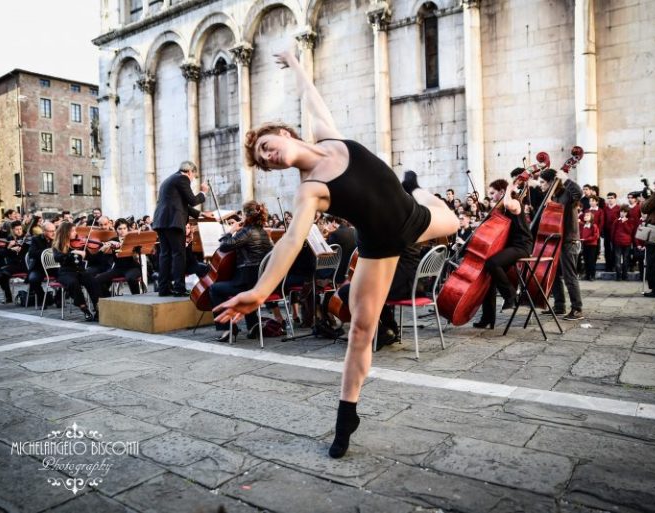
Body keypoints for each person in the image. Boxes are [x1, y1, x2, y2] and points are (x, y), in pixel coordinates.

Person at [212, 48, 459, 459]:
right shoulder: (310, 189)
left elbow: (311, 95)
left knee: (451, 219)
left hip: (415, 218)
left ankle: (414, 186)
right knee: (362, 330)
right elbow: (291, 242)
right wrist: (259, 292)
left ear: (285, 134)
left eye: (268, 147)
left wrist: (295, 64)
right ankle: (347, 419)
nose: (269, 157)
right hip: (380, 248)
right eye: (264, 161)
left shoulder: (329, 136)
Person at [473, 178, 533, 329]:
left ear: (502, 192)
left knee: (491, 263)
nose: (491, 197)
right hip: (510, 247)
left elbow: (507, 202)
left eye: (493, 193)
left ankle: (510, 295)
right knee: (488, 277)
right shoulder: (502, 208)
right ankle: (488, 317)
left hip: (521, 246)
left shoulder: (515, 203)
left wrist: (510, 188)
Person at [209, 200, 273, 342]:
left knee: (215, 289)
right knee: (243, 289)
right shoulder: (263, 233)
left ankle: (227, 329)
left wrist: (230, 232)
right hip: (260, 282)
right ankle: (253, 324)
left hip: (246, 281)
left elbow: (225, 246)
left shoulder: (246, 232)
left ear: (247, 216)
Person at [152, 161, 208, 296]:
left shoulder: (169, 179)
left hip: (161, 221)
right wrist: (203, 192)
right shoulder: (182, 178)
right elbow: (193, 200)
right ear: (190, 172)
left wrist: (200, 214)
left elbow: (181, 204)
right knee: (179, 255)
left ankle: (164, 288)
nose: (193, 179)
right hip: (173, 222)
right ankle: (179, 288)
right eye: (193, 176)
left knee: (165, 255)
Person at [538, 168, 584, 320]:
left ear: (552, 182)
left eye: (543, 182)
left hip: (569, 240)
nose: (541, 185)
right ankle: (559, 306)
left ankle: (577, 309)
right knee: (555, 275)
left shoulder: (567, 194)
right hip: (558, 240)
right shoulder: (555, 196)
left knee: (570, 276)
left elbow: (579, 193)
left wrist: (565, 179)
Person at [52, 222, 99, 321]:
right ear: (65, 232)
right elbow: (57, 258)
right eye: (72, 231)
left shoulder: (80, 243)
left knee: (92, 281)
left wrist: (91, 252)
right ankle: (85, 309)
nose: (75, 233)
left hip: (80, 271)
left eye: (75, 230)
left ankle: (98, 308)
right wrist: (71, 253)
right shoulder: (58, 245)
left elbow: (91, 258)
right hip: (65, 272)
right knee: (73, 283)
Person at [612, 206, 634, 280]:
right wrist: (612, 241)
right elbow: (613, 232)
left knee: (625, 260)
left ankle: (625, 276)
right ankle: (618, 276)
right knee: (617, 260)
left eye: (624, 212)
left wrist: (624, 223)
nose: (622, 213)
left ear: (627, 213)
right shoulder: (616, 221)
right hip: (617, 242)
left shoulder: (630, 221)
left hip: (626, 243)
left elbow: (630, 231)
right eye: (621, 212)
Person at [580, 211, 600, 281]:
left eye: (588, 216)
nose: (585, 217)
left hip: (592, 246)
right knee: (586, 261)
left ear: (591, 217)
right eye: (585, 216)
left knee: (591, 261)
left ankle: (592, 275)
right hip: (585, 245)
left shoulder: (594, 226)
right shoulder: (583, 225)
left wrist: (585, 239)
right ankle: (587, 275)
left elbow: (596, 236)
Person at [603, 192, 620, 272]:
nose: (610, 200)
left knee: (615, 249)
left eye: (612, 198)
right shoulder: (605, 209)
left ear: (615, 199)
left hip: (616, 232)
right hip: (607, 231)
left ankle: (614, 265)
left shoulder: (618, 208)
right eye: (608, 198)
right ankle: (608, 265)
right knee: (607, 249)